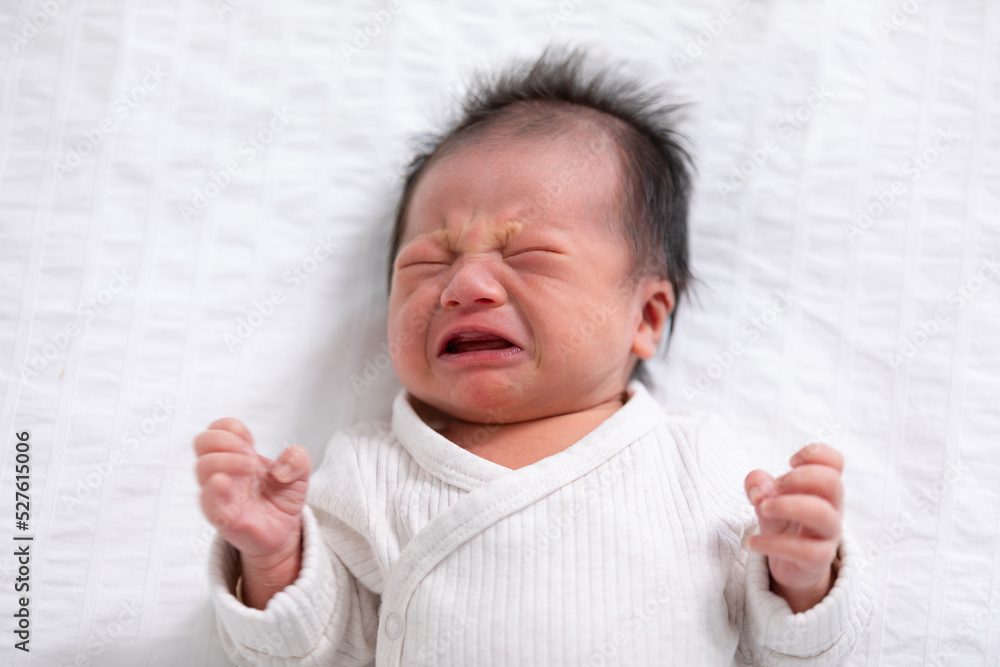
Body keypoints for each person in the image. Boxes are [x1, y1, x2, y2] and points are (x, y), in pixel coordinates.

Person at [194, 48, 873, 666]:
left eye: (529, 255)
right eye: (428, 261)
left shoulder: (697, 464)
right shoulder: (370, 470)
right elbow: (304, 652)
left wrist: (802, 577)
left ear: (646, 316)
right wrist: (275, 556)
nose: (466, 285)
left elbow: (801, 653)